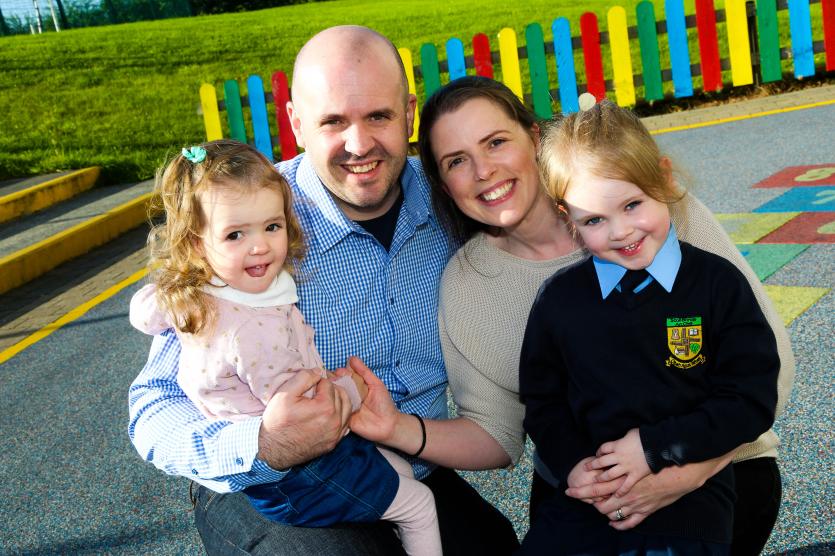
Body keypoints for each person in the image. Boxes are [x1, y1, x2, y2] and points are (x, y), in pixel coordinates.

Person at [348, 76, 793, 556]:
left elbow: (770, 374)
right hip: (586, 486)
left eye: (496, 142)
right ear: (442, 182)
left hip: (721, 468)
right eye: (457, 161)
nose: (483, 170)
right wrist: (395, 428)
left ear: (535, 138)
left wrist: (678, 470)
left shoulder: (656, 215)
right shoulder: (469, 283)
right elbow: (501, 431)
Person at [127, 26, 519, 555]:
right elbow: (154, 403)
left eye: (378, 116)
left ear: (408, 112)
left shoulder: (455, 198)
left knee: (497, 545)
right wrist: (264, 444)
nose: (359, 145)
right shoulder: (248, 223)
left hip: (403, 464)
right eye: (334, 121)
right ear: (296, 123)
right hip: (266, 480)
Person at [128, 140, 441, 555]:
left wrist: (165, 293)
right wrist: (355, 390)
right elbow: (304, 410)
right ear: (197, 243)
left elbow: (148, 309)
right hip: (291, 472)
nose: (259, 246)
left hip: (346, 448)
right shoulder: (251, 326)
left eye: (272, 228)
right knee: (418, 504)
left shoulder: (200, 290)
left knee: (453, 516)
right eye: (236, 235)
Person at [516, 96, 780, 554]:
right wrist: (575, 465)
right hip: (586, 499)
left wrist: (655, 447)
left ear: (662, 177)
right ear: (569, 220)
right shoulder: (559, 300)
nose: (620, 231)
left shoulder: (716, 284)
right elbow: (543, 400)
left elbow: (750, 399)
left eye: (632, 204)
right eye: (595, 219)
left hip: (689, 497)